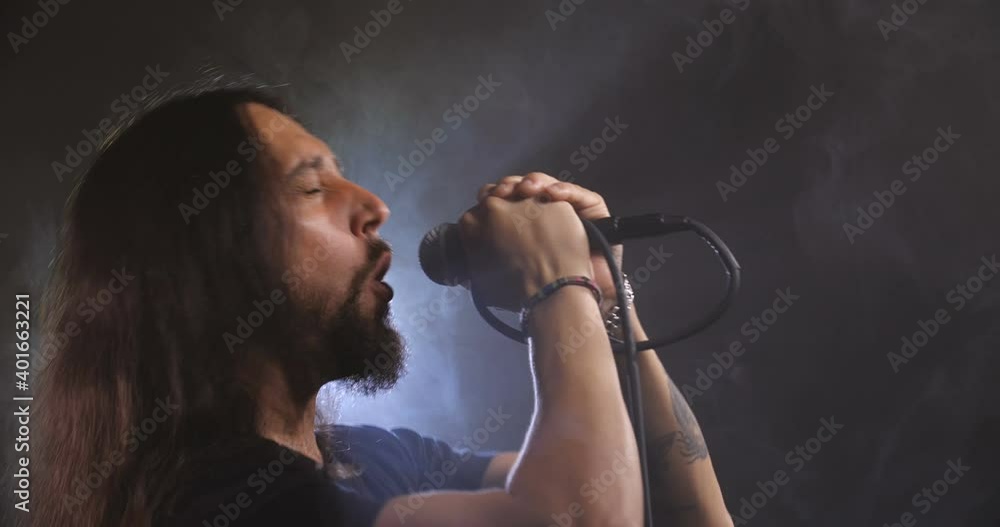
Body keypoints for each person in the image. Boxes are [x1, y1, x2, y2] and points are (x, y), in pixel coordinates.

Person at [33, 81, 731, 527]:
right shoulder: (214, 500)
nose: (373, 207)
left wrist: (607, 299)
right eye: (313, 189)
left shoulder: (376, 460)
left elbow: (684, 509)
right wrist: (556, 287)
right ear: (207, 258)